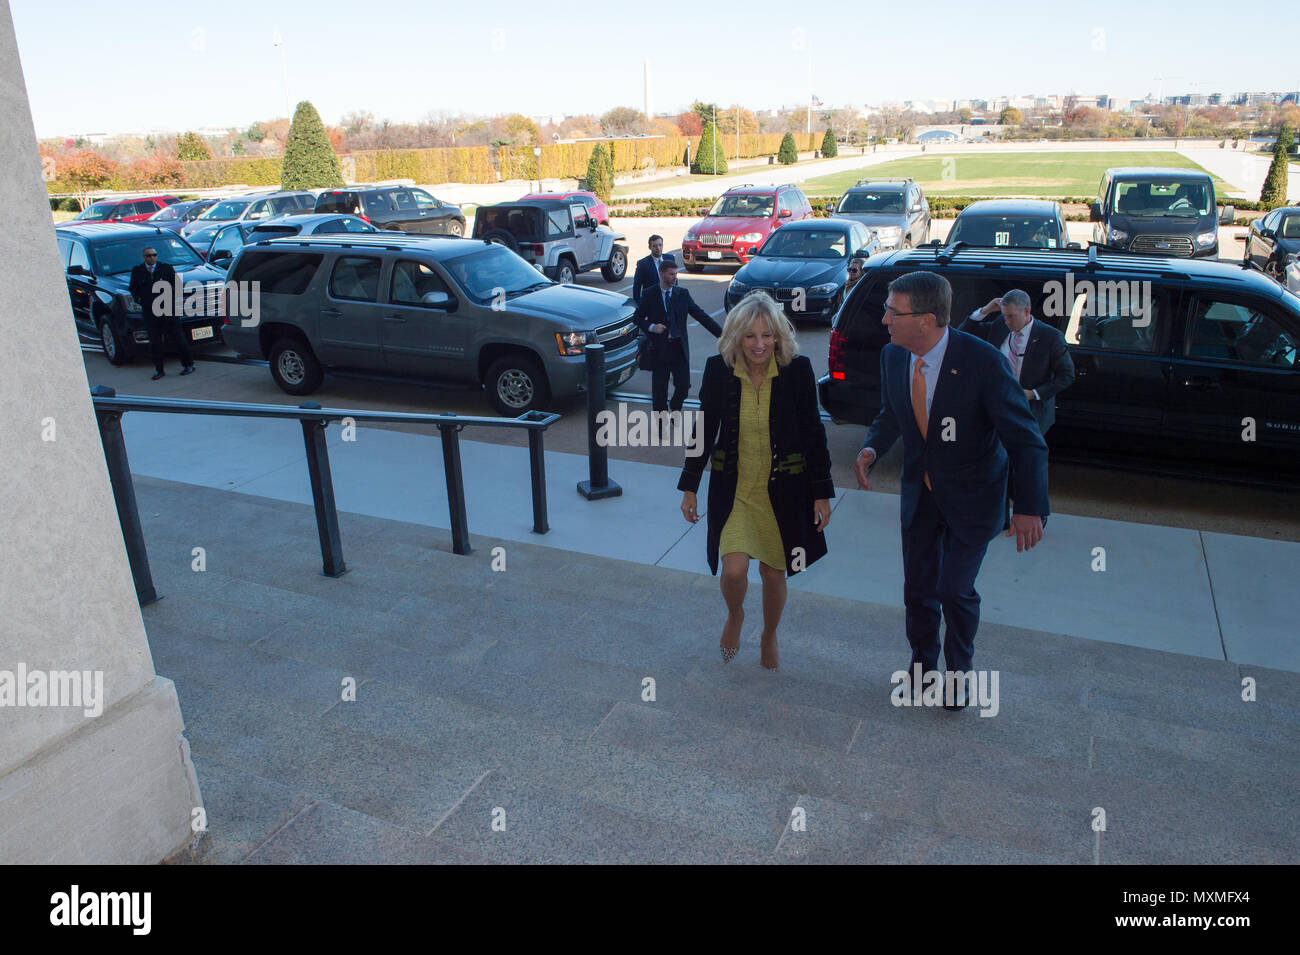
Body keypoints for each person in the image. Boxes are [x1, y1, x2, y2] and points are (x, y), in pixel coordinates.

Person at [852, 272, 1048, 709]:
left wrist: (1030, 507)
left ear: (925, 320)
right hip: (921, 496)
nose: (884, 319)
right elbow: (891, 413)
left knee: (954, 588)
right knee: (918, 588)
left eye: (892, 311)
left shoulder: (982, 362)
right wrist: (871, 447)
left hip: (974, 498)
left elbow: (1026, 438)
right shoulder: (894, 356)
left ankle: (959, 675)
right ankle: (922, 666)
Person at [679, 293, 833, 670]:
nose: (760, 344)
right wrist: (689, 484)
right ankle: (735, 615)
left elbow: (814, 433)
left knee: (773, 571)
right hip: (735, 490)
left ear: (779, 337)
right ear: (735, 337)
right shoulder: (719, 370)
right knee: (733, 569)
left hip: (785, 491)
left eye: (767, 335)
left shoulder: (797, 371)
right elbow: (704, 428)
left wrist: (821, 493)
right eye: (750, 336)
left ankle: (769, 634)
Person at [960, 289, 1074, 533]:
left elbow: (1067, 375)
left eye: (1012, 316)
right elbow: (962, 335)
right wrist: (986, 310)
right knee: (998, 461)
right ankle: (1000, 517)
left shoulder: (1050, 337)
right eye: (1004, 316)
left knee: (1028, 462)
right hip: (997, 407)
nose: (1007, 321)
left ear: (1027, 312)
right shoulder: (1000, 325)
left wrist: (1033, 393)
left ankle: (1035, 511)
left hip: (1031, 410)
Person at [631, 259, 722, 418]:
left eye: (676, 274)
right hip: (659, 351)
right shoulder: (649, 294)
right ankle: (661, 424)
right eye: (671, 274)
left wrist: (723, 335)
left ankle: (675, 405)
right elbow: (637, 318)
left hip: (679, 350)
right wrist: (652, 327)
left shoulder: (682, 294)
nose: (675, 278)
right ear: (661, 274)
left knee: (684, 387)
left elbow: (701, 316)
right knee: (659, 391)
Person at [129, 246, 194, 380]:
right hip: (150, 311)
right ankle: (159, 370)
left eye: (154, 255)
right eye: (148, 255)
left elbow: (177, 285)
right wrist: (140, 300)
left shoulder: (166, 268)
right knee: (155, 342)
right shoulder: (138, 271)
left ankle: (188, 365)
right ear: (144, 257)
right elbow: (133, 288)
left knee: (178, 338)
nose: (152, 257)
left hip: (168, 309)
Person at [632, 234, 676, 303]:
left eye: (660, 245)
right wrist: (637, 304)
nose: (658, 248)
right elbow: (637, 286)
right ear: (649, 247)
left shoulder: (670, 258)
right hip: (652, 302)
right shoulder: (643, 264)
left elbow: (674, 279)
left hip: (669, 299)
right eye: (654, 246)